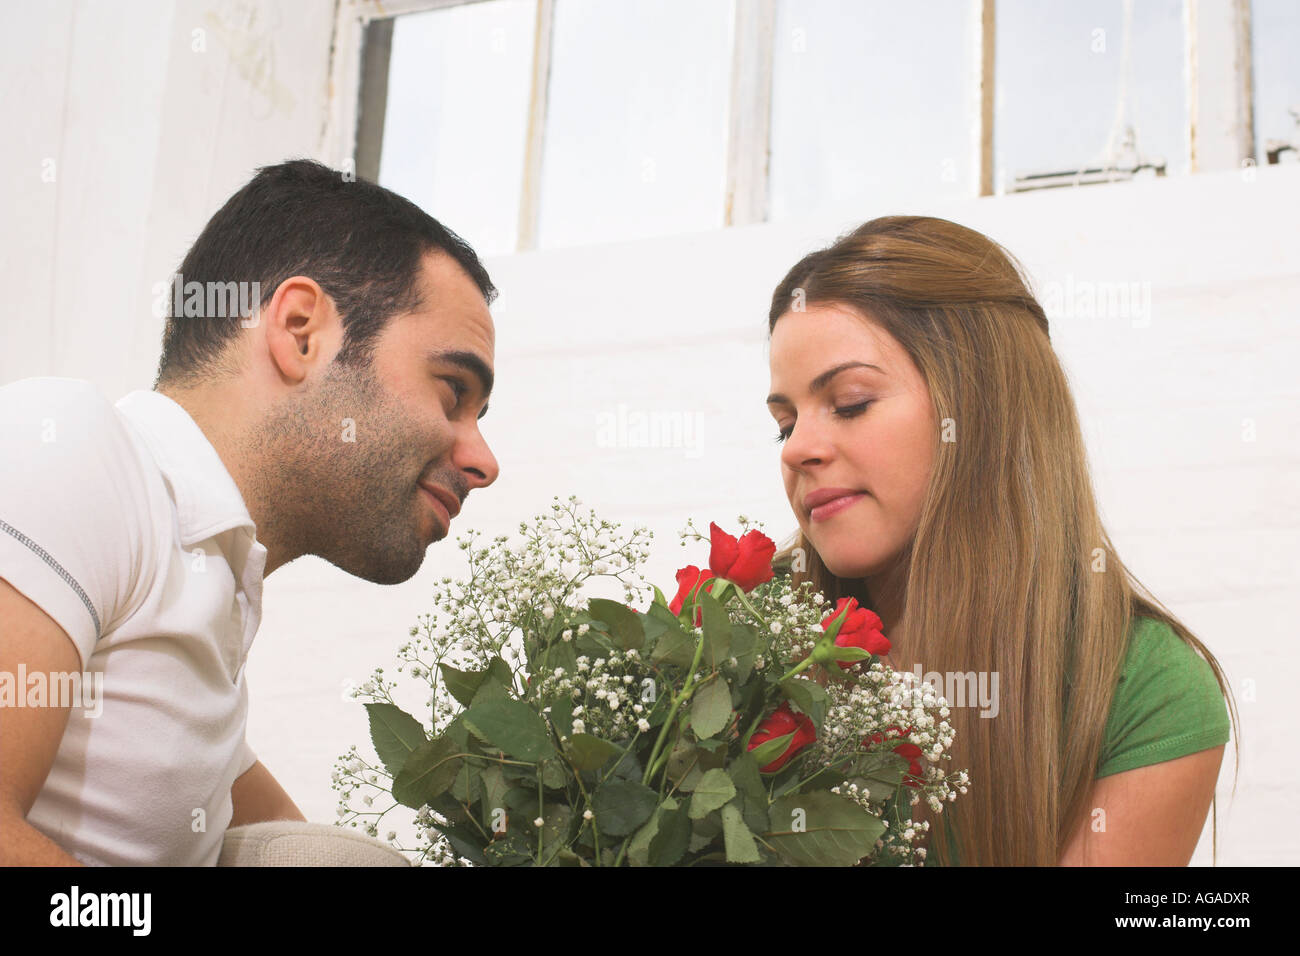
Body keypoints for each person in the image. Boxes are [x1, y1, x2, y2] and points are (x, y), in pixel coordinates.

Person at [0, 159, 501, 865]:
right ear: (300, 332)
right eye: (452, 391)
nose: (484, 460)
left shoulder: (208, 607)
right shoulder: (75, 447)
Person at [765, 215, 1238, 866]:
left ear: (980, 408)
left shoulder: (1147, 690)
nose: (799, 449)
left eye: (848, 403)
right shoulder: (739, 639)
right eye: (783, 425)